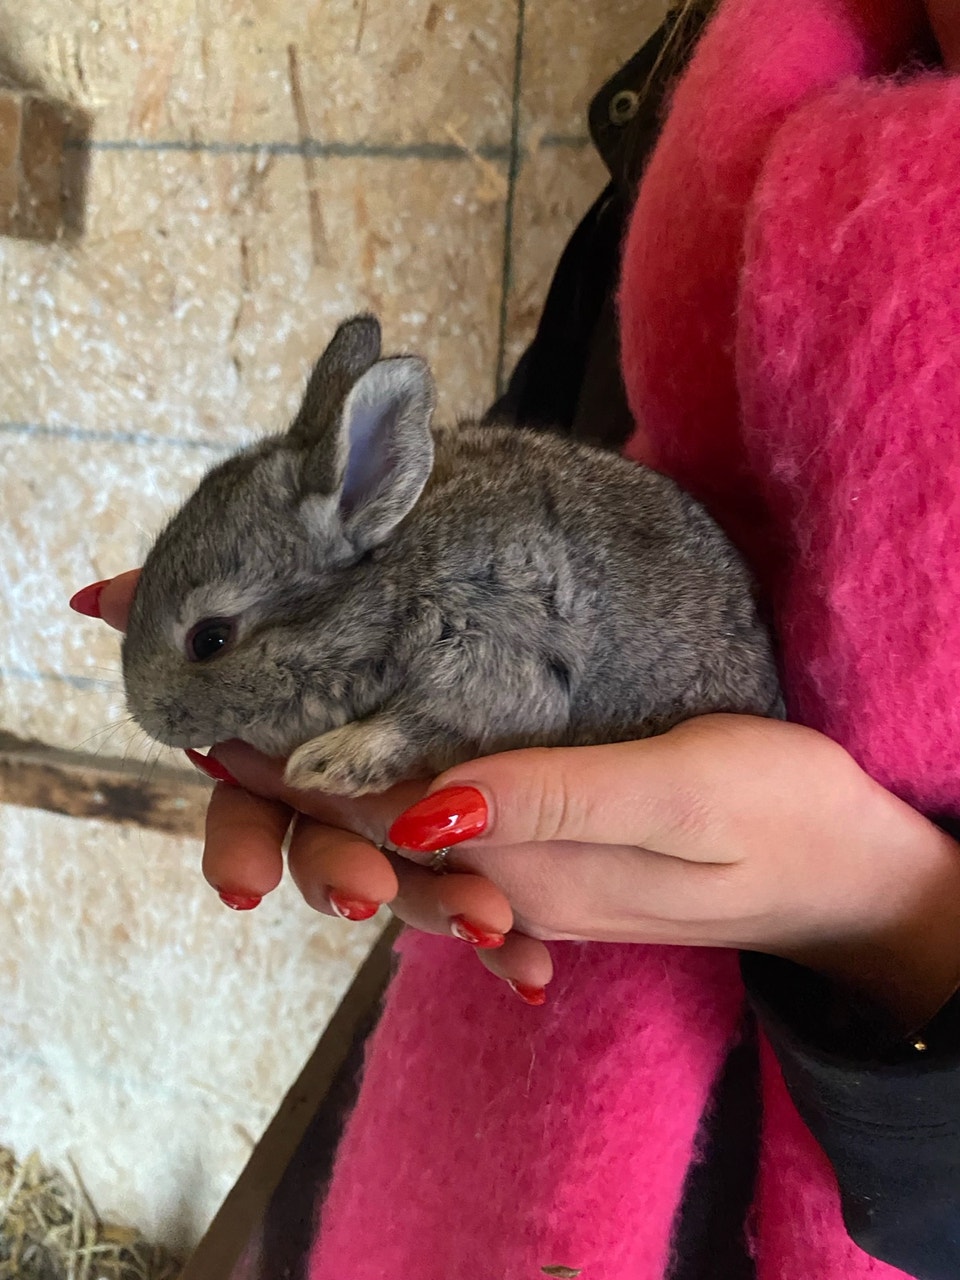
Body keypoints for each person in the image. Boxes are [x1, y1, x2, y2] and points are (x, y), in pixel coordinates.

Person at [70, 0, 960, 1275]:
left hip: (838, 1158)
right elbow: (539, 456)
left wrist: (885, 916)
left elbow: (488, 607)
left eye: (211, 643)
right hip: (525, 997)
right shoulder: (725, 79)